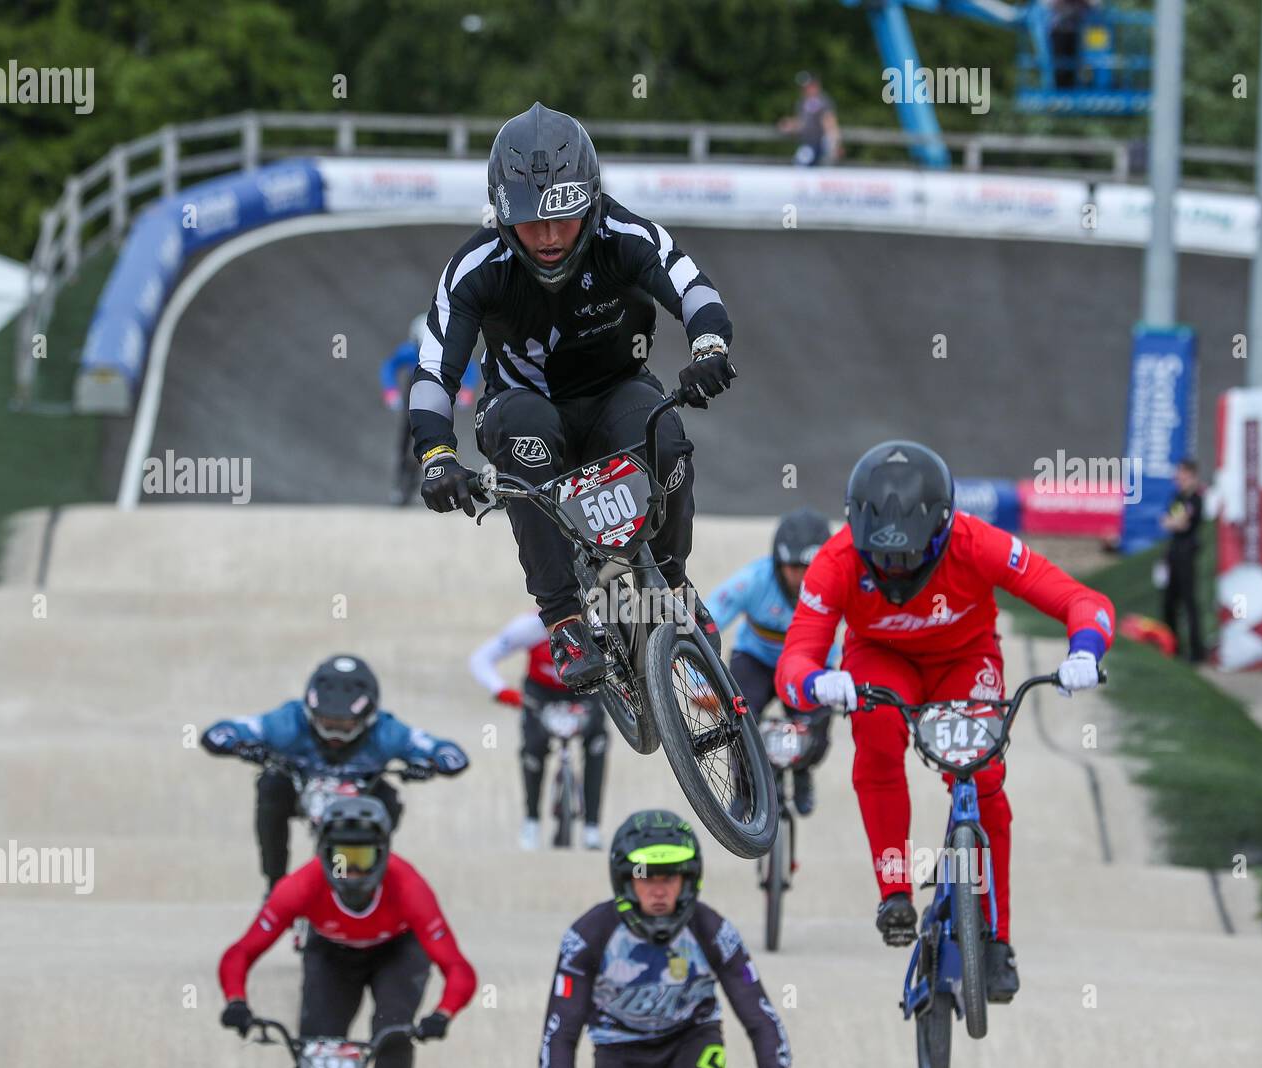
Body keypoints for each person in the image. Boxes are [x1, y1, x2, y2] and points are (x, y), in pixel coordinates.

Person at [410, 101, 736, 689]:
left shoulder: (625, 234)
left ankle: (672, 584)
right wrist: (436, 456)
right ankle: (562, 618)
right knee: (525, 430)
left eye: (563, 219)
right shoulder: (474, 267)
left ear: (590, 200)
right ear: (503, 217)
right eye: (532, 224)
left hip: (617, 393)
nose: (551, 238)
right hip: (524, 408)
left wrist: (709, 349)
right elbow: (435, 371)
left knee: (665, 434)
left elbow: (693, 289)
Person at [776, 442, 1115, 1001]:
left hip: (965, 658)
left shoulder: (980, 543)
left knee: (982, 782)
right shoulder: (834, 561)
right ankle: (894, 893)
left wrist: (1084, 652)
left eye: (907, 557)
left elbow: (1084, 601)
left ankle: (999, 938)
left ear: (942, 530)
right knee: (878, 734)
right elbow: (796, 659)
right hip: (881, 659)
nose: (893, 569)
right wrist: (816, 683)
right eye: (879, 559)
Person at [538, 809, 801, 1068]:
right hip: (620, 1054)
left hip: (690, 1043)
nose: (659, 891)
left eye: (671, 878)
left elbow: (760, 1016)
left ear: (689, 880)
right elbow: (560, 1030)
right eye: (646, 877)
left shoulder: (713, 930)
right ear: (625, 880)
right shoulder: (587, 936)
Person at [219, 795, 476, 1068]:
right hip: (331, 953)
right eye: (341, 860)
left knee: (393, 1033)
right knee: (315, 1045)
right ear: (323, 854)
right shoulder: (299, 886)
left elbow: (458, 968)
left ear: (383, 853)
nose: (351, 872)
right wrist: (236, 1002)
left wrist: (442, 1014)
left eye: (362, 859)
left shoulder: (409, 887)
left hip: (397, 951)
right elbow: (241, 952)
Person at [201, 655, 469, 890]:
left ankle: (371, 878)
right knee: (271, 786)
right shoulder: (286, 722)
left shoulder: (388, 732)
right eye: (326, 724)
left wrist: (431, 766)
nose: (334, 736)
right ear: (309, 714)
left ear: (369, 718)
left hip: (360, 799)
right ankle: (275, 883)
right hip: (298, 792)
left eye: (345, 726)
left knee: (389, 800)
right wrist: (241, 746)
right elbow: (217, 733)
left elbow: (452, 755)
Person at [705, 509, 837, 816]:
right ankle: (744, 790)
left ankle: (802, 771)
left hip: (809, 662)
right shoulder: (754, 579)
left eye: (809, 567)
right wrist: (700, 682)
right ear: (778, 563)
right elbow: (708, 618)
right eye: (793, 567)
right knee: (738, 716)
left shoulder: (835, 585)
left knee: (816, 725)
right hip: (756, 660)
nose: (801, 577)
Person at [469, 611, 610, 850]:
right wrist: (501, 689)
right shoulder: (527, 628)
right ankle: (531, 821)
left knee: (597, 743)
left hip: (584, 691)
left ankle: (592, 827)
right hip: (540, 695)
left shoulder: (595, 623)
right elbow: (480, 659)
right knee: (532, 749)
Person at [382, 316, 479, 505]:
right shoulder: (409, 352)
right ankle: (401, 482)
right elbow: (390, 366)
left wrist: (466, 390)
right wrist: (390, 391)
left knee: (440, 435)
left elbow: (470, 366)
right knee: (405, 438)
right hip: (414, 389)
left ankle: (434, 474)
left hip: (439, 389)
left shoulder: (439, 350)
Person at [1160, 458, 1205, 664]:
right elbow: (1167, 521)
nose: (1179, 479)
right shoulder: (1178, 497)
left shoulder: (1195, 498)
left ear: (1192, 476)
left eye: (1183, 475)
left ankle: (1197, 652)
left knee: (1189, 602)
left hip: (1187, 553)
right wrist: (1174, 522)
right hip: (1174, 552)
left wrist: (1175, 522)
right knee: (1169, 601)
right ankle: (1172, 647)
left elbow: (1182, 524)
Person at [777, 71, 842, 167]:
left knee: (801, 167)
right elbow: (803, 123)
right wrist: (790, 125)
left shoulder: (823, 101)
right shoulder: (802, 102)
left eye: (808, 86)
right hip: (807, 144)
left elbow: (830, 124)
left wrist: (834, 145)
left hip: (818, 145)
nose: (805, 89)